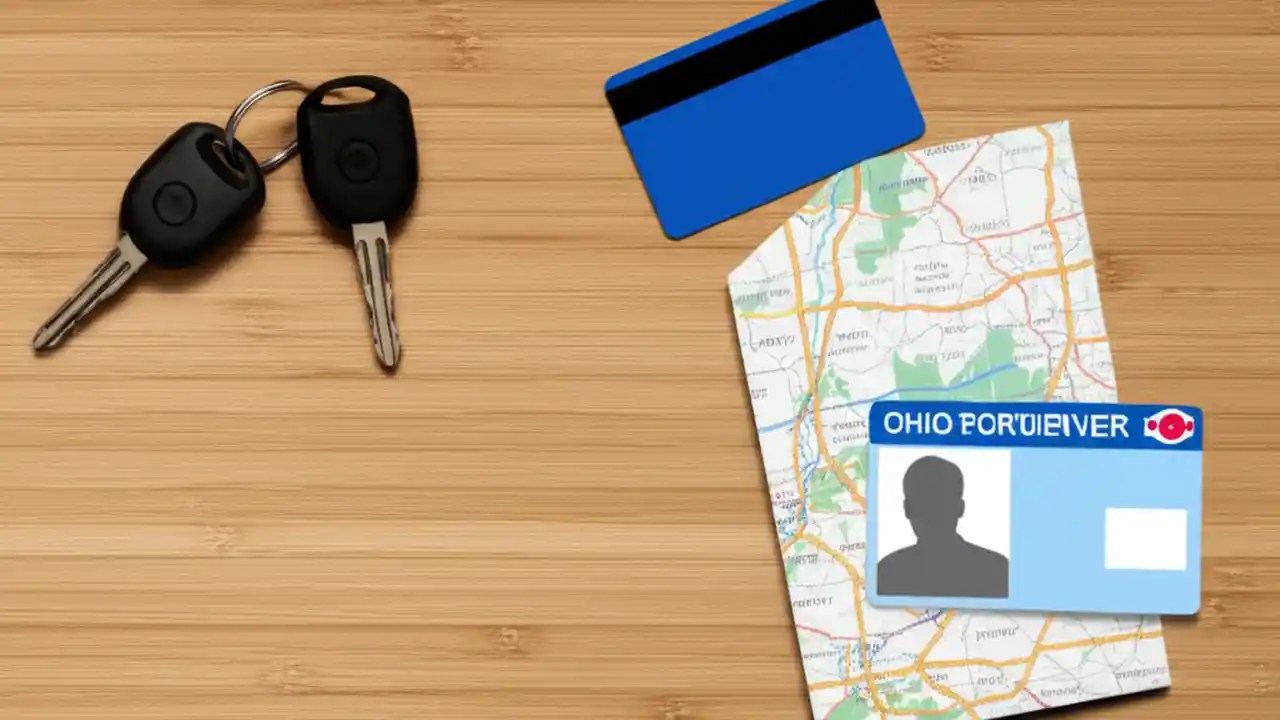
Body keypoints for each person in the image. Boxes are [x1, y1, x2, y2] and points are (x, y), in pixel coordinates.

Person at [877, 455, 1008, 598]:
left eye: (940, 503)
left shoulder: (888, 572)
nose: (932, 512)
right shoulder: (996, 569)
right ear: (960, 508)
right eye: (925, 503)